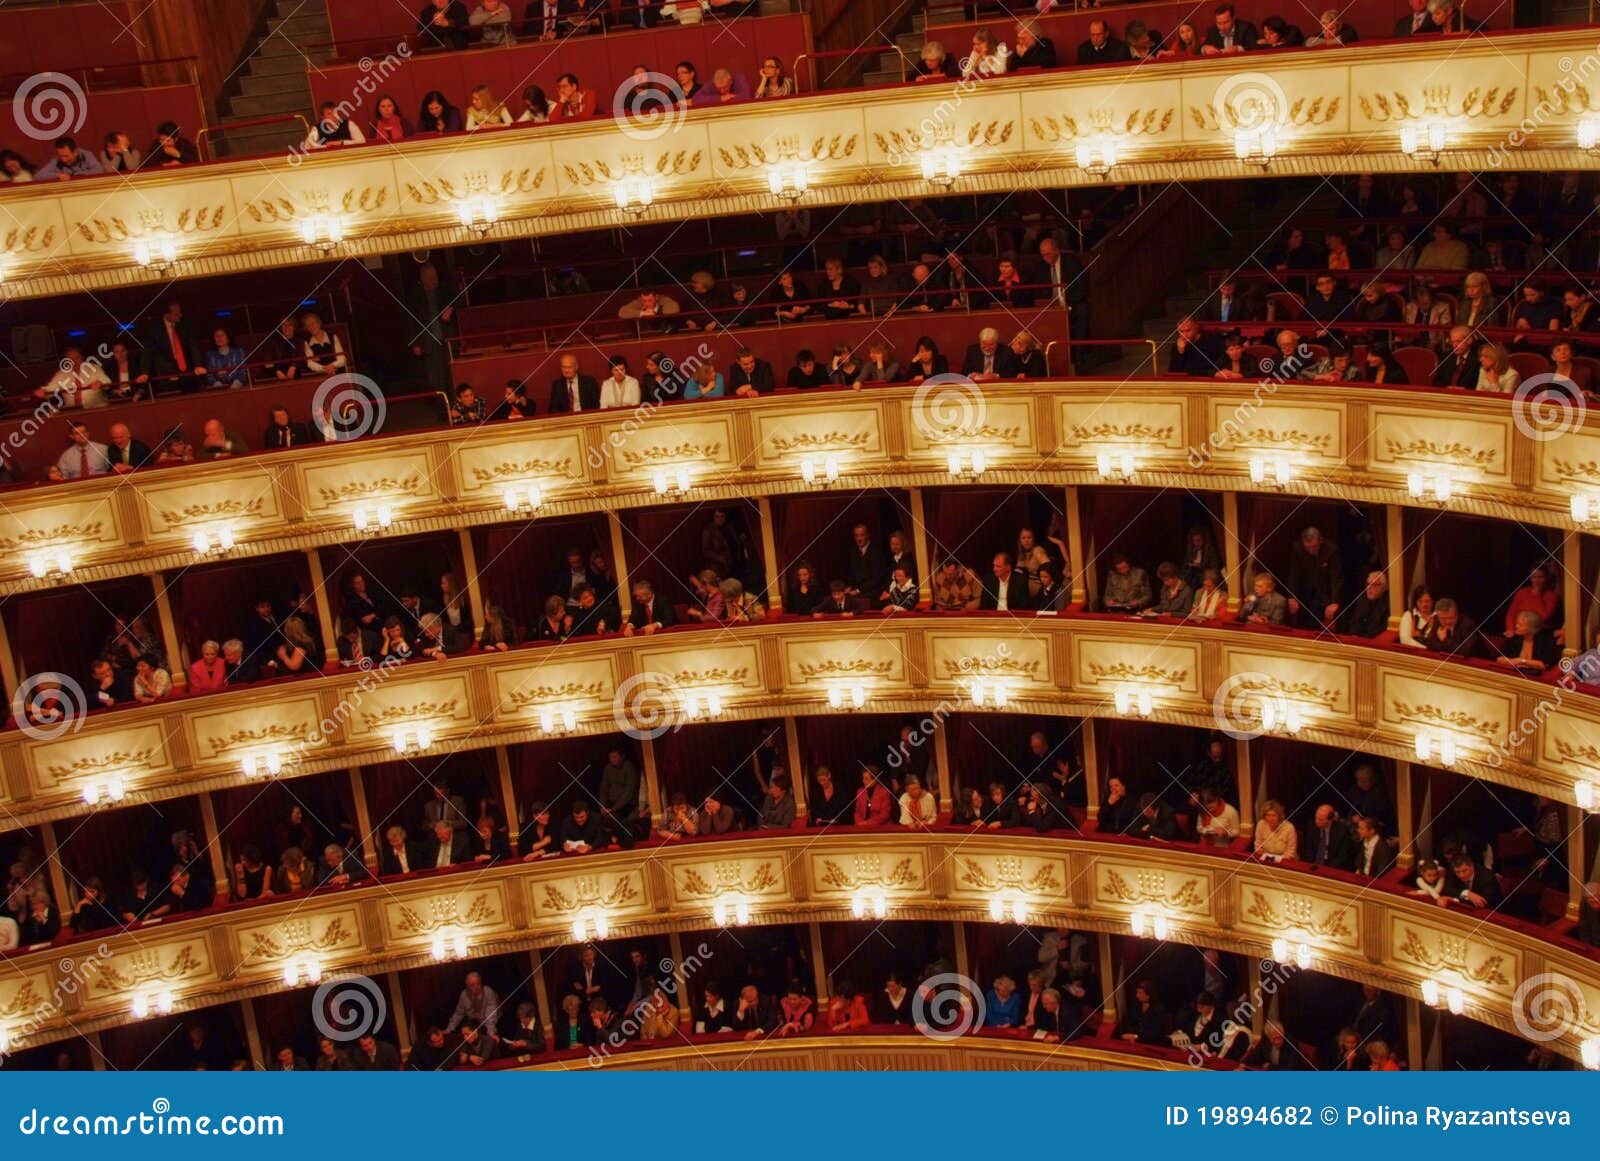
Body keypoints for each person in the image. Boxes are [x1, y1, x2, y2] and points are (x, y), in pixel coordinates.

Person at [1336, 571, 1389, 637]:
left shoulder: (1388, 604)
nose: (1369, 588)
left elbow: (1380, 629)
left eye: (1374, 585)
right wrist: (1354, 634)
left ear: (1384, 587)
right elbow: (1355, 622)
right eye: (1368, 584)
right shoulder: (1362, 599)